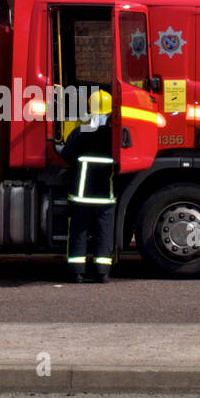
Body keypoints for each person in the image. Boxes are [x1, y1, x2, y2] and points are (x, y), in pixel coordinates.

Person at [56, 88, 116, 283]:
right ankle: (103, 272)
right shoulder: (113, 135)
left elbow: (65, 155)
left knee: (78, 233)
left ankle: (77, 272)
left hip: (81, 196)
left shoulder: (81, 131)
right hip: (105, 196)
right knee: (103, 234)